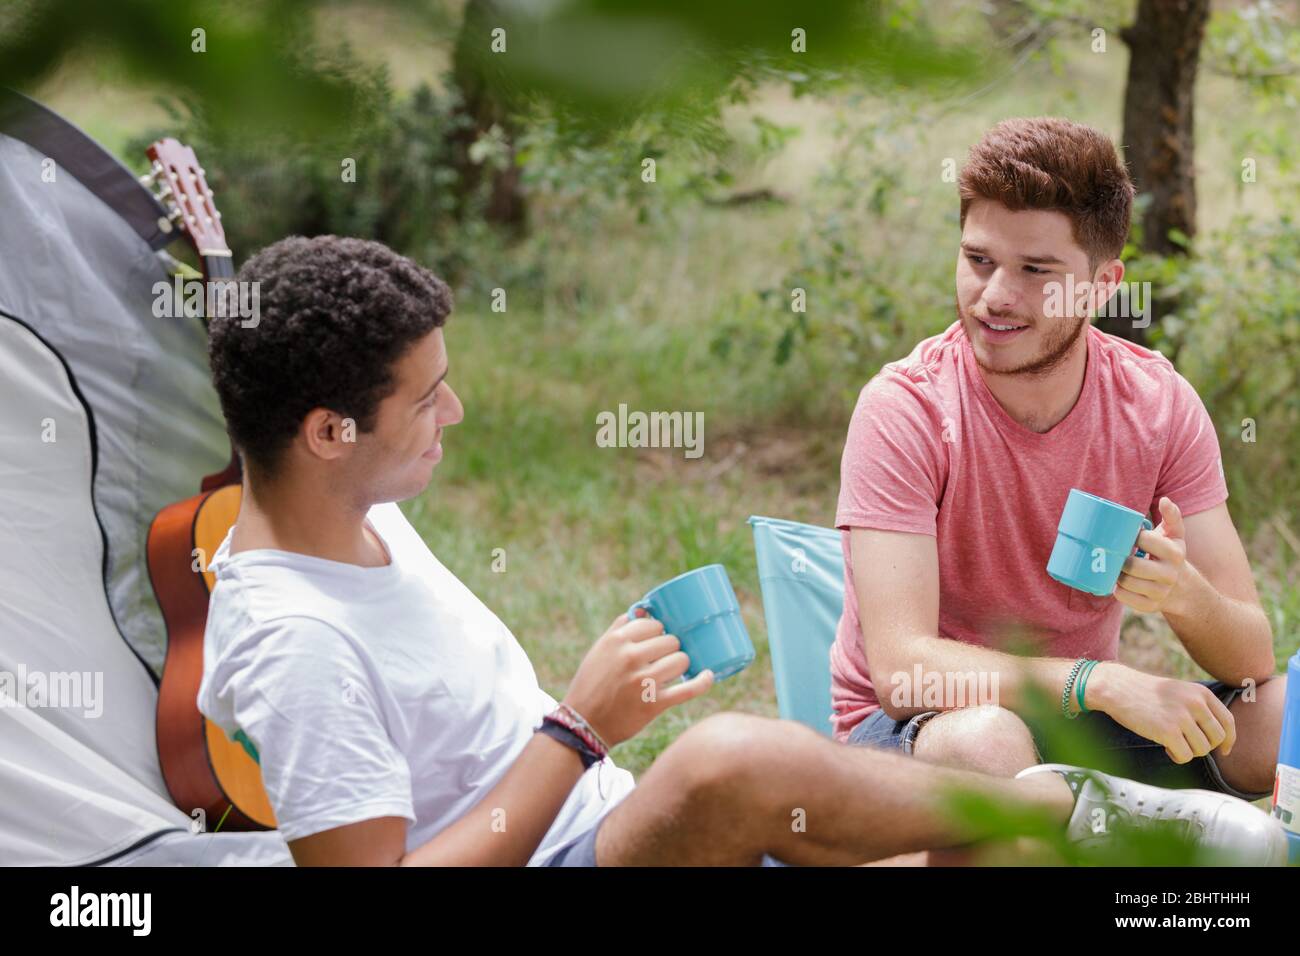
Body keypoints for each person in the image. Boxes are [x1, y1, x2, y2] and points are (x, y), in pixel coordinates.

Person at [197, 234, 1286, 866]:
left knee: (943, 814)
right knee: (731, 758)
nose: (460, 410)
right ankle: (1086, 808)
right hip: (565, 845)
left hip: (603, 819)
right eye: (427, 399)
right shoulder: (297, 641)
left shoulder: (354, 514)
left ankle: (1152, 858)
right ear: (328, 433)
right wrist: (576, 729)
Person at [832, 117, 1286, 816]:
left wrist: (1180, 594)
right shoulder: (906, 408)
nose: (995, 296)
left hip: (1072, 725)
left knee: (1273, 711)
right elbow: (904, 674)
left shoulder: (1158, 405)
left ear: (1102, 287)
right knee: (991, 742)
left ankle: (1088, 824)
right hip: (921, 733)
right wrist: (1097, 681)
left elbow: (1252, 657)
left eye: (1035, 271)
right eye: (978, 260)